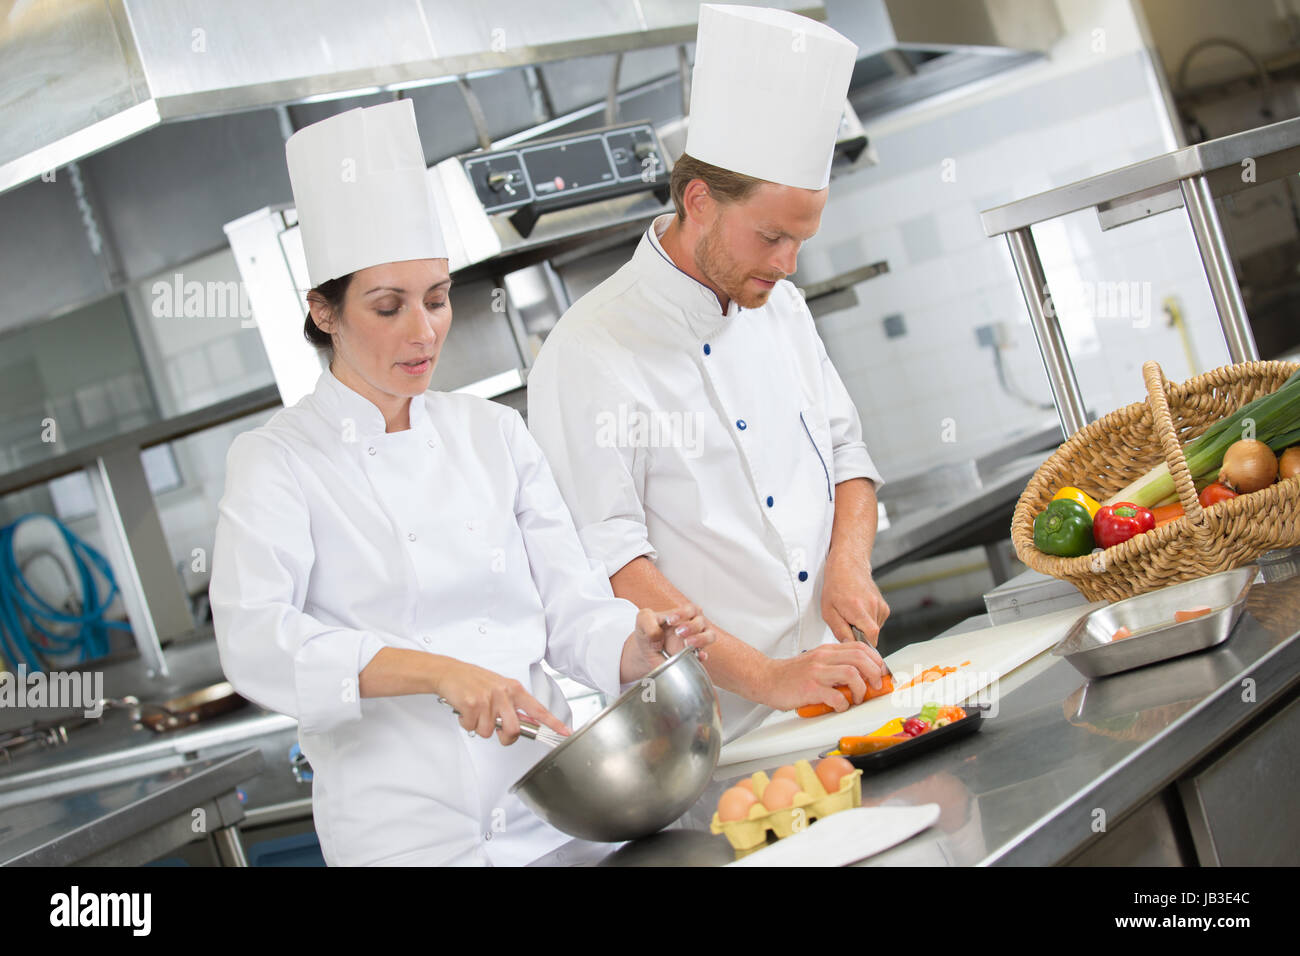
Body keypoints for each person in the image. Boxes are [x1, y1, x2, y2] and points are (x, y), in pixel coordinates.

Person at [208, 99, 712, 866]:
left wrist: (632, 645)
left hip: (552, 813)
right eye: (388, 305)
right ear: (323, 310)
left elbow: (570, 609)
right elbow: (256, 642)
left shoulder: (493, 435)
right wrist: (438, 673)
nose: (423, 330)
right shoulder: (278, 460)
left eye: (438, 299)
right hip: (404, 839)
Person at [526, 4, 888, 742]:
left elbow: (849, 457)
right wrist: (767, 676)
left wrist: (849, 563)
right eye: (772, 236)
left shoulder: (781, 308)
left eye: (802, 239)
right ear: (698, 201)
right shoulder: (589, 350)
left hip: (839, 687)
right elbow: (617, 569)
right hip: (719, 734)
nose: (788, 266)